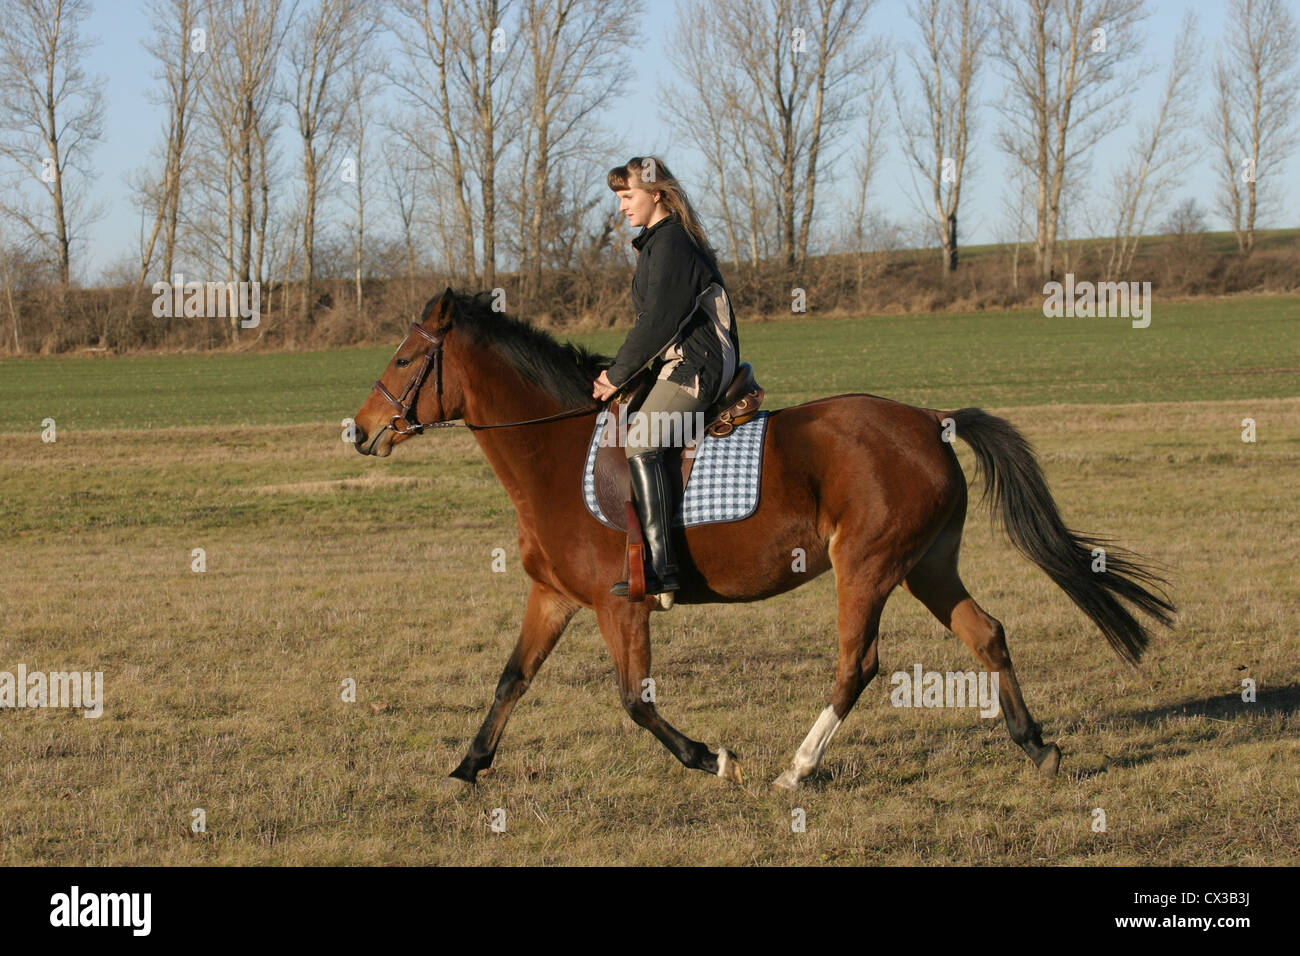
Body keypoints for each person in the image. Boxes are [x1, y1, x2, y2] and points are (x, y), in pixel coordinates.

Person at [593, 156, 741, 597]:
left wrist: (618, 374)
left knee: (641, 439)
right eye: (618, 197)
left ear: (655, 194)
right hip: (678, 361)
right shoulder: (657, 243)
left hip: (699, 364)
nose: (621, 206)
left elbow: (658, 322)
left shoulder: (672, 242)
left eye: (627, 196)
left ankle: (661, 567)